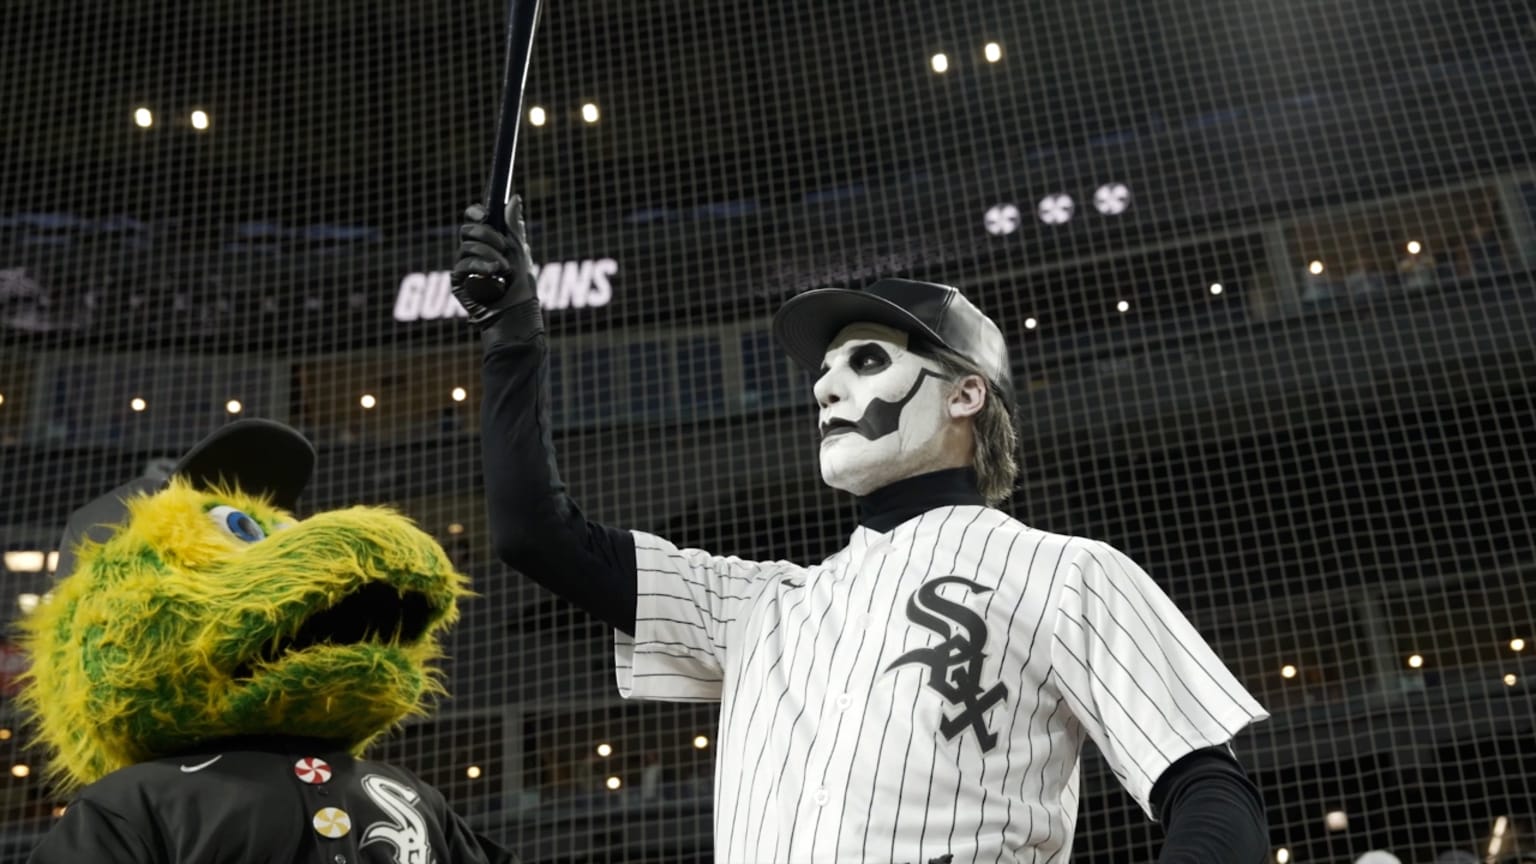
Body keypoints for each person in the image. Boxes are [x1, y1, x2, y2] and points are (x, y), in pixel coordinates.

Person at [453, 199, 1271, 863]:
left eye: (867, 360)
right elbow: (537, 536)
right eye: (823, 372)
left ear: (966, 395)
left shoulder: (1063, 570)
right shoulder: (766, 605)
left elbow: (1208, 788)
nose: (826, 389)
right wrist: (512, 334)